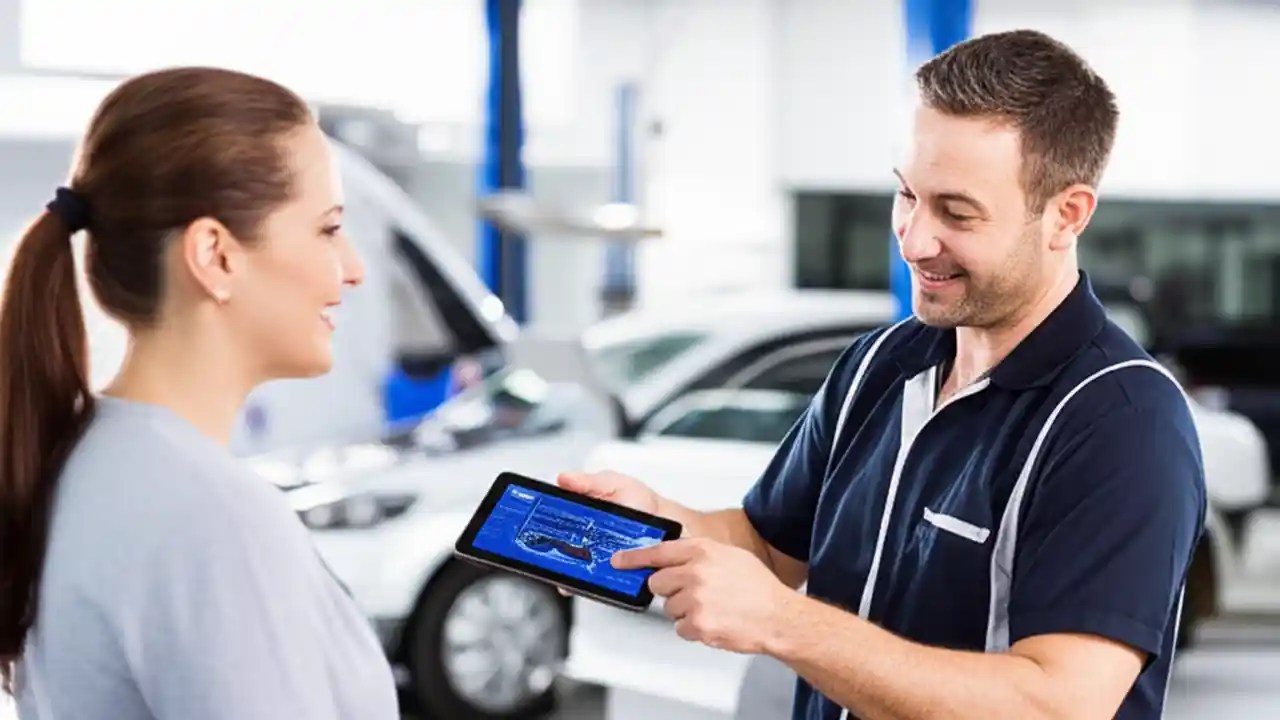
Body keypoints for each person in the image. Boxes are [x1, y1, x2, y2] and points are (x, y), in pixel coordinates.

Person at [559, 29, 1206, 720]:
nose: (914, 239)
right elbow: (767, 547)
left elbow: (1056, 705)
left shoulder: (1122, 422)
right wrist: (660, 523)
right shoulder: (881, 364)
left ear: (1066, 215)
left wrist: (784, 624)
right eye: (907, 196)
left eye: (957, 213)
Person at [0, 67, 399, 719]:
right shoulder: (214, 519)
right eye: (327, 229)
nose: (352, 268)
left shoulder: (84, 456)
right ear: (215, 256)